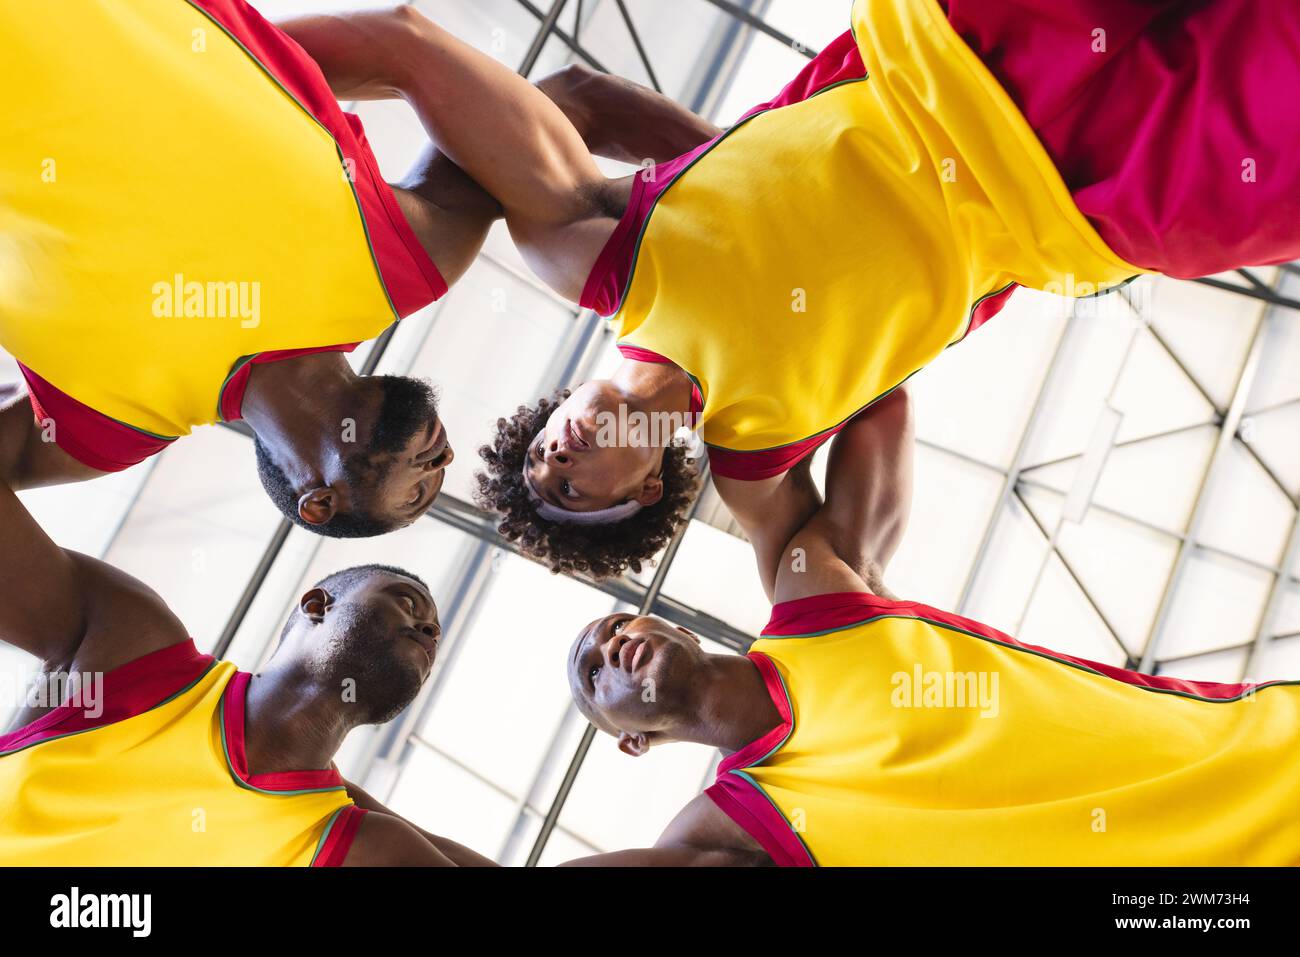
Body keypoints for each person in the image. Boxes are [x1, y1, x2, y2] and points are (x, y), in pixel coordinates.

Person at [364, 0, 1300, 579]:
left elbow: (568, 94)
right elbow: (827, 585)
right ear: (649, 490)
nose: (554, 457)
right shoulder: (757, 458)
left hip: (958, 43)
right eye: (570, 485)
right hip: (1088, 202)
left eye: (537, 457)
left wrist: (726, 167)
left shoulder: (600, 259)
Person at [0, 2, 711, 538]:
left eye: (418, 492)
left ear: (319, 499)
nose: (443, 460)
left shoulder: (109, 428)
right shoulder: (411, 257)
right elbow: (546, 95)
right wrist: (740, 163)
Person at [562, 388, 1300, 866]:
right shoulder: (729, 829)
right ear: (634, 739)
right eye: (594, 675)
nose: (610, 647)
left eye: (614, 621)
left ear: (672, 625)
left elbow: (876, 395)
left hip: (1264, 749)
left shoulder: (815, 592)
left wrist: (682, 390)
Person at [0, 459, 495, 865]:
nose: (431, 630)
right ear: (317, 605)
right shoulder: (133, 643)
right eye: (409, 602)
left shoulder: (362, 848)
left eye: (434, 632)